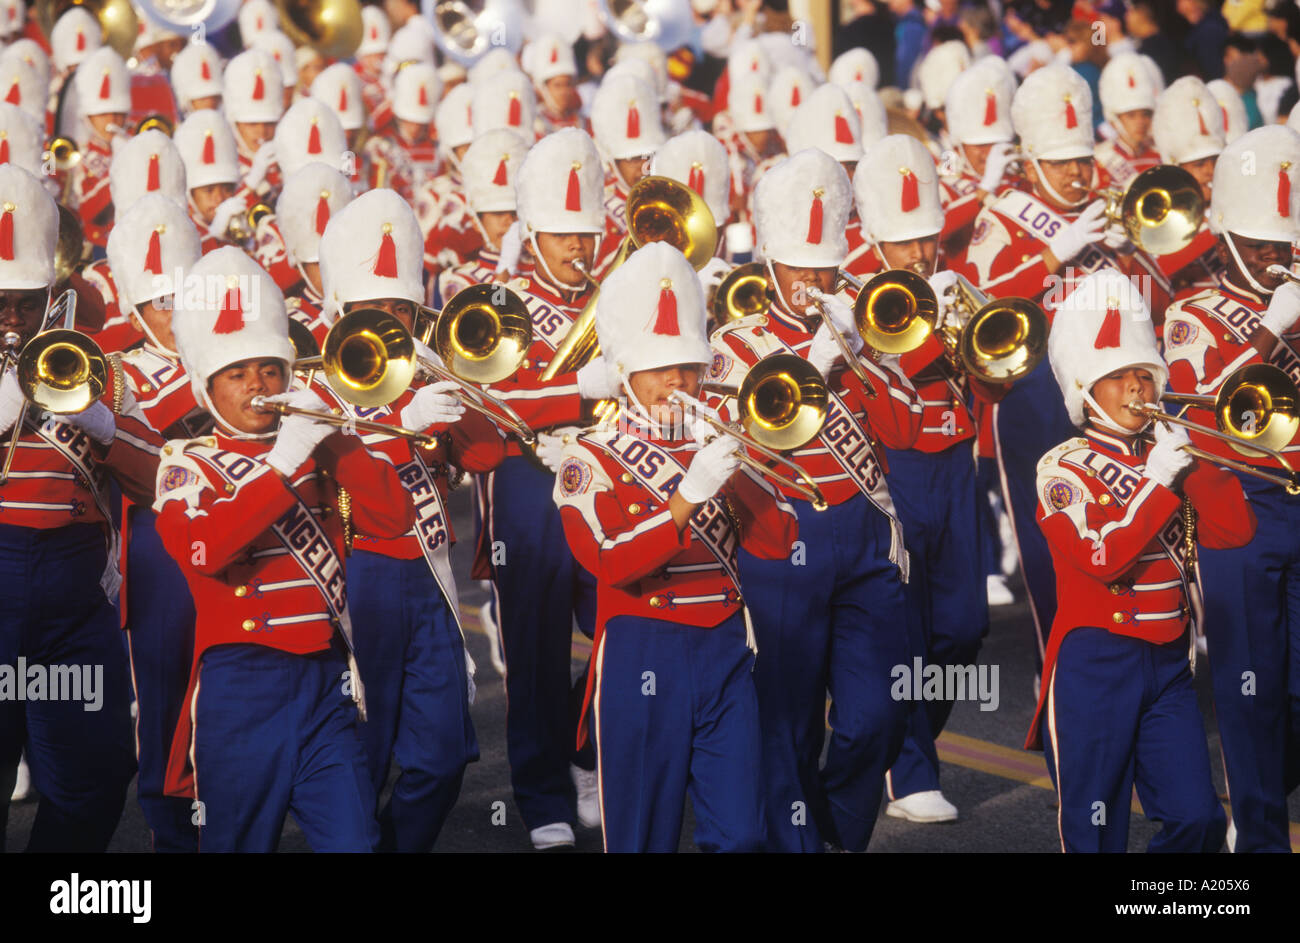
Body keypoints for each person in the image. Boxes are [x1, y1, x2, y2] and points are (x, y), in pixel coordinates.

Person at [154, 246, 415, 852]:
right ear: (207, 388)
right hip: (241, 688)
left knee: (357, 842)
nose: (258, 386)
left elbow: (394, 517)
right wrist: (286, 460)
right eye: (238, 374)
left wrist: (338, 442)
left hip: (324, 684)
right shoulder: (186, 468)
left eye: (270, 369)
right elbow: (205, 550)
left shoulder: (313, 447)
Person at [710, 147, 923, 852]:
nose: (814, 282)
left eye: (826, 267)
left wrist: (858, 358)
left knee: (878, 712)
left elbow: (906, 427)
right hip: (781, 540)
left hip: (864, 540)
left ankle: (836, 829)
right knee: (788, 721)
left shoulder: (863, 329)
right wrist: (809, 369)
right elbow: (734, 451)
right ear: (771, 263)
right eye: (801, 267)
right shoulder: (734, 345)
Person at [554, 241, 798, 852]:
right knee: (642, 838)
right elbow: (610, 561)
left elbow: (779, 543)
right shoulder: (591, 456)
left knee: (742, 834)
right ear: (625, 373)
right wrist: (687, 495)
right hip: (643, 650)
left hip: (724, 647)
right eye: (660, 367)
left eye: (688, 365)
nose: (677, 381)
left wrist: (742, 469)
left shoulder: (717, 443)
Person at [1030, 267, 1251, 852]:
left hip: (1168, 665)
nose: (1137, 390)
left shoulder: (1171, 456)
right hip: (1096, 662)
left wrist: (1205, 456)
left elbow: (1233, 531)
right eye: (1117, 377)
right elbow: (1102, 558)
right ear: (1084, 388)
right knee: (1096, 828)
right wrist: (1157, 482)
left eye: (1143, 375)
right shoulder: (1062, 465)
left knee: (1197, 820)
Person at [316, 188, 505, 851]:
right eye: (377, 308)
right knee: (359, 756)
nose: (393, 320)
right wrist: (402, 422)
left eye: (402, 307)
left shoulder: (421, 370)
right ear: (345, 308)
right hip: (354, 576)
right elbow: (348, 476)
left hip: (425, 579)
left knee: (443, 753)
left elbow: (488, 451)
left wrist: (452, 379)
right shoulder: (315, 380)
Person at [0, 166, 159, 851]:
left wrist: (102, 423)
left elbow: (157, 478)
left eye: (26, 304)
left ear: (54, 295)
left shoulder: (98, 360)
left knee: (97, 772)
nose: (11, 320)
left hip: (74, 593)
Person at [853, 135, 1002, 824]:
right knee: (906, 627)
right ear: (878, 237)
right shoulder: (860, 294)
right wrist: (929, 323)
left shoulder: (951, 279)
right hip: (898, 467)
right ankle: (911, 765)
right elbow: (889, 385)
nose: (919, 252)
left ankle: (907, 733)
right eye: (905, 240)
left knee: (964, 629)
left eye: (928, 237)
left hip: (958, 463)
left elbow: (998, 376)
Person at [1161, 124, 1300, 852]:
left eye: (1288, 243)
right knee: (1252, 689)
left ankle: (1265, 795)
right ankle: (1259, 834)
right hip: (1242, 506)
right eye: (1268, 244)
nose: (1281, 256)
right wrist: (1272, 332)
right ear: (1231, 239)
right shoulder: (1195, 313)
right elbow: (1201, 418)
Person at [477, 128, 616, 850]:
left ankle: (585, 751)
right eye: (564, 232)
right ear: (532, 228)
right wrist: (573, 390)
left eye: (588, 231)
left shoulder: (611, 292)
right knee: (532, 647)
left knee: (624, 626)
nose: (579, 246)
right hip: (526, 488)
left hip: (601, 478)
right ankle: (538, 795)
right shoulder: (499, 301)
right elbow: (490, 407)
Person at [105, 193, 206, 852]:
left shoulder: (230, 351)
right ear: (137, 309)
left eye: (181, 297)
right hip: (158, 544)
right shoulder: (118, 370)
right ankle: (168, 827)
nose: (173, 314)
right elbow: (134, 452)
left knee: (224, 687)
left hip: (235, 537)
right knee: (165, 688)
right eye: (160, 302)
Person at [1095, 53, 1163, 189]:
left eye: (1145, 114)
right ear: (1115, 121)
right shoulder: (1101, 159)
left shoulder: (1161, 156)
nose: (1141, 122)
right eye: (1131, 115)